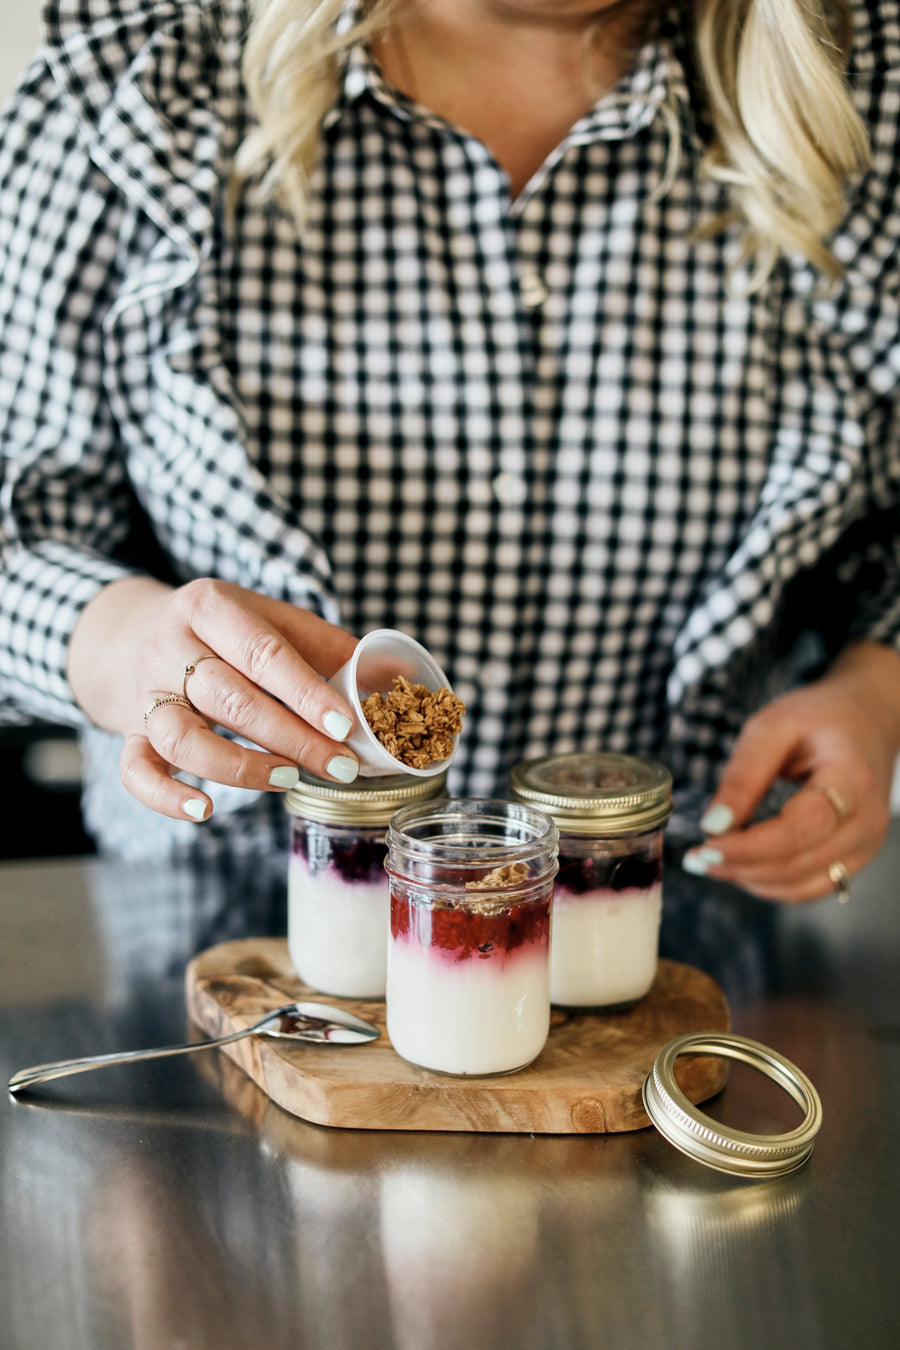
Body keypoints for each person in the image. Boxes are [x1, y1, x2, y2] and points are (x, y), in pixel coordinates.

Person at [1, 0, 898, 905]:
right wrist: (128, 646)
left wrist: (875, 685)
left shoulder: (862, 76)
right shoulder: (137, 84)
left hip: (667, 941)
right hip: (236, 945)